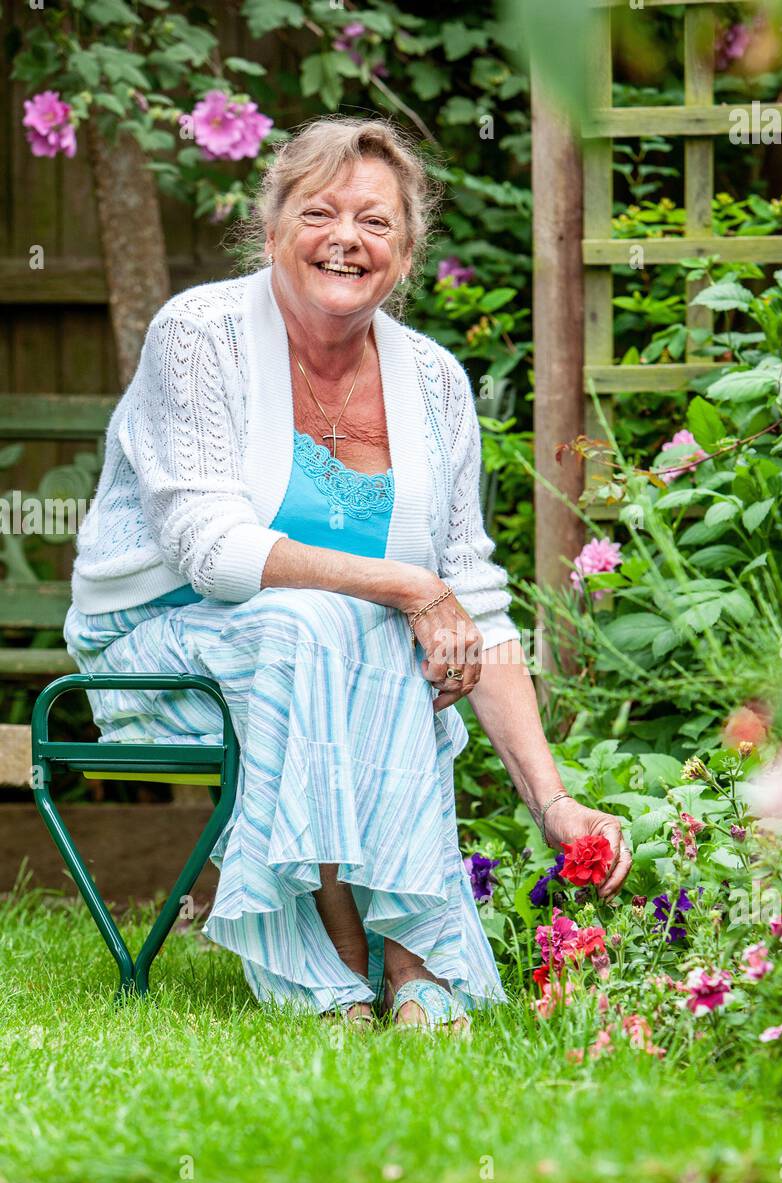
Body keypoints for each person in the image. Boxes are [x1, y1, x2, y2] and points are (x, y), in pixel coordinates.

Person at [64, 117, 631, 1031]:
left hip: (329, 659)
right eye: (319, 212)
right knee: (333, 622)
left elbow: (473, 603)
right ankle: (342, 956)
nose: (346, 239)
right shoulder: (201, 334)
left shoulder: (436, 384)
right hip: (155, 653)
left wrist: (553, 801)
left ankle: (405, 962)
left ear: (406, 250)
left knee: (357, 630)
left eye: (374, 222)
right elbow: (211, 552)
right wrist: (408, 589)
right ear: (273, 223)